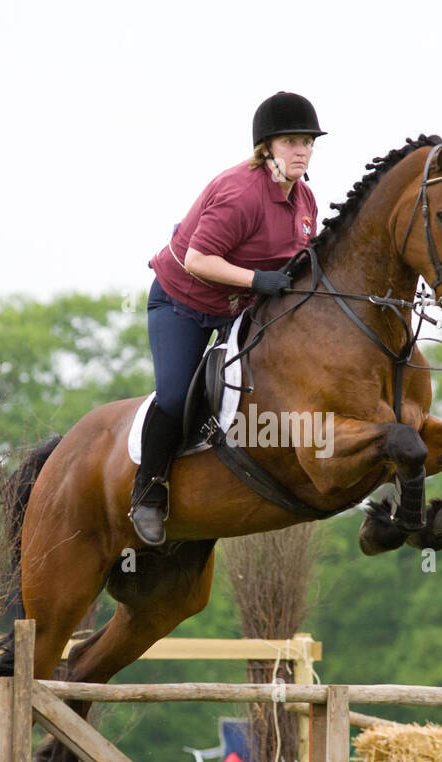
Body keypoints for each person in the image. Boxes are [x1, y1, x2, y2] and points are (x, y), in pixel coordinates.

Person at [131, 91, 326, 547]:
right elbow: (198, 259)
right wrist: (259, 280)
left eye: (308, 142)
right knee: (178, 396)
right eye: (292, 141)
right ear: (267, 148)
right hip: (182, 305)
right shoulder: (240, 192)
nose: (302, 150)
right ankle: (148, 491)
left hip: (236, 310)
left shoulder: (306, 201)